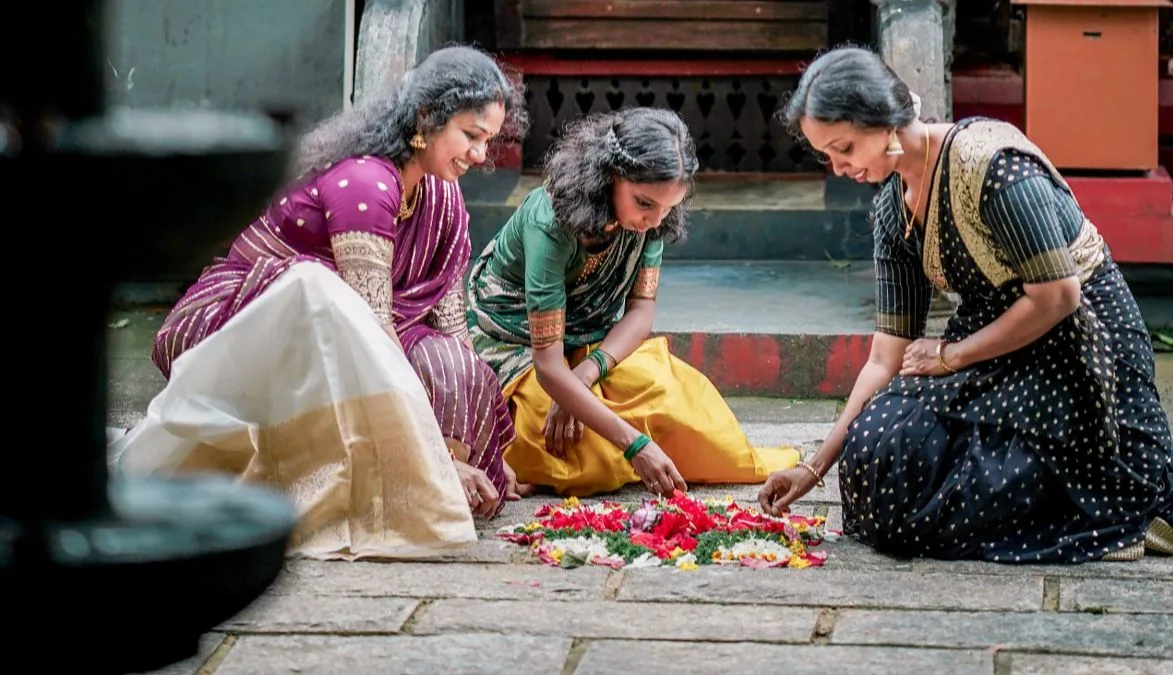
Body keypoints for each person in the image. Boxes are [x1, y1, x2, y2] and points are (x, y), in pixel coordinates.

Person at [758, 45, 1173, 563]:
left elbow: (1059, 296)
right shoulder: (891, 211)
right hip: (994, 348)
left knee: (941, 490)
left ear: (882, 121)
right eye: (827, 156)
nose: (839, 168)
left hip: (1083, 348)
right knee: (875, 453)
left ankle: (1117, 513)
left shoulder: (992, 168)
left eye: (845, 148)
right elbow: (886, 356)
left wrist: (952, 357)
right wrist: (814, 469)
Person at [110, 45, 532, 560]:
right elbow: (370, 330)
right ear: (427, 118)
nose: (481, 156)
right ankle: (409, 483)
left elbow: (449, 324)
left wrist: (482, 435)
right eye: (471, 136)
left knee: (453, 366)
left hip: (355, 336)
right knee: (328, 298)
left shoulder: (438, 194)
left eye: (487, 140)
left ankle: (425, 486)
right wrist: (442, 456)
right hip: (247, 323)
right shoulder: (365, 181)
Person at [466, 107, 799, 498]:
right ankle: (549, 466)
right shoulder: (551, 223)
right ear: (608, 176)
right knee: (560, 432)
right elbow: (549, 366)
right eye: (645, 204)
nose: (655, 221)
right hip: (517, 345)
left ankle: (565, 464)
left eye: (667, 209)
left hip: (586, 347)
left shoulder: (653, 218)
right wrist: (635, 444)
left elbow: (641, 313)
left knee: (675, 400)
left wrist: (585, 376)